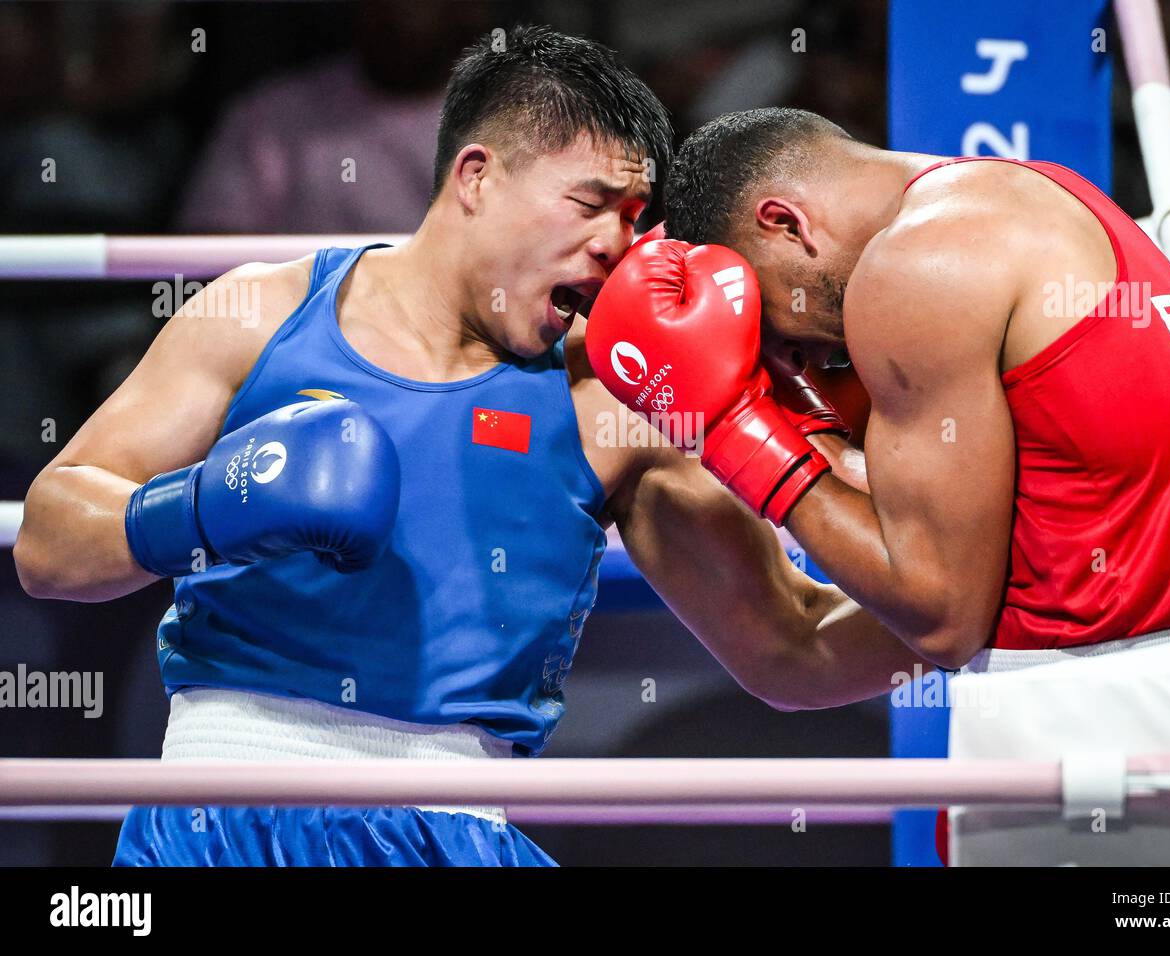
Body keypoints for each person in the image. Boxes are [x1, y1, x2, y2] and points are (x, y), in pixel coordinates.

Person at [13, 33, 917, 867]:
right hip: (219, 811)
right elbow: (50, 543)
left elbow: (794, 646)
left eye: (638, 220)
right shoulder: (261, 315)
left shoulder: (621, 401)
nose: (618, 246)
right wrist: (205, 509)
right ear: (476, 177)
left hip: (454, 828)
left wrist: (983, 605)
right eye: (592, 205)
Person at [586, 106, 1170, 865]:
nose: (796, 356)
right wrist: (787, 412)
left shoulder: (915, 265)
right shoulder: (1051, 198)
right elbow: (806, 645)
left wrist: (730, 422)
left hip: (1097, 740)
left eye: (769, 323)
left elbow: (940, 616)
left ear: (784, 221)